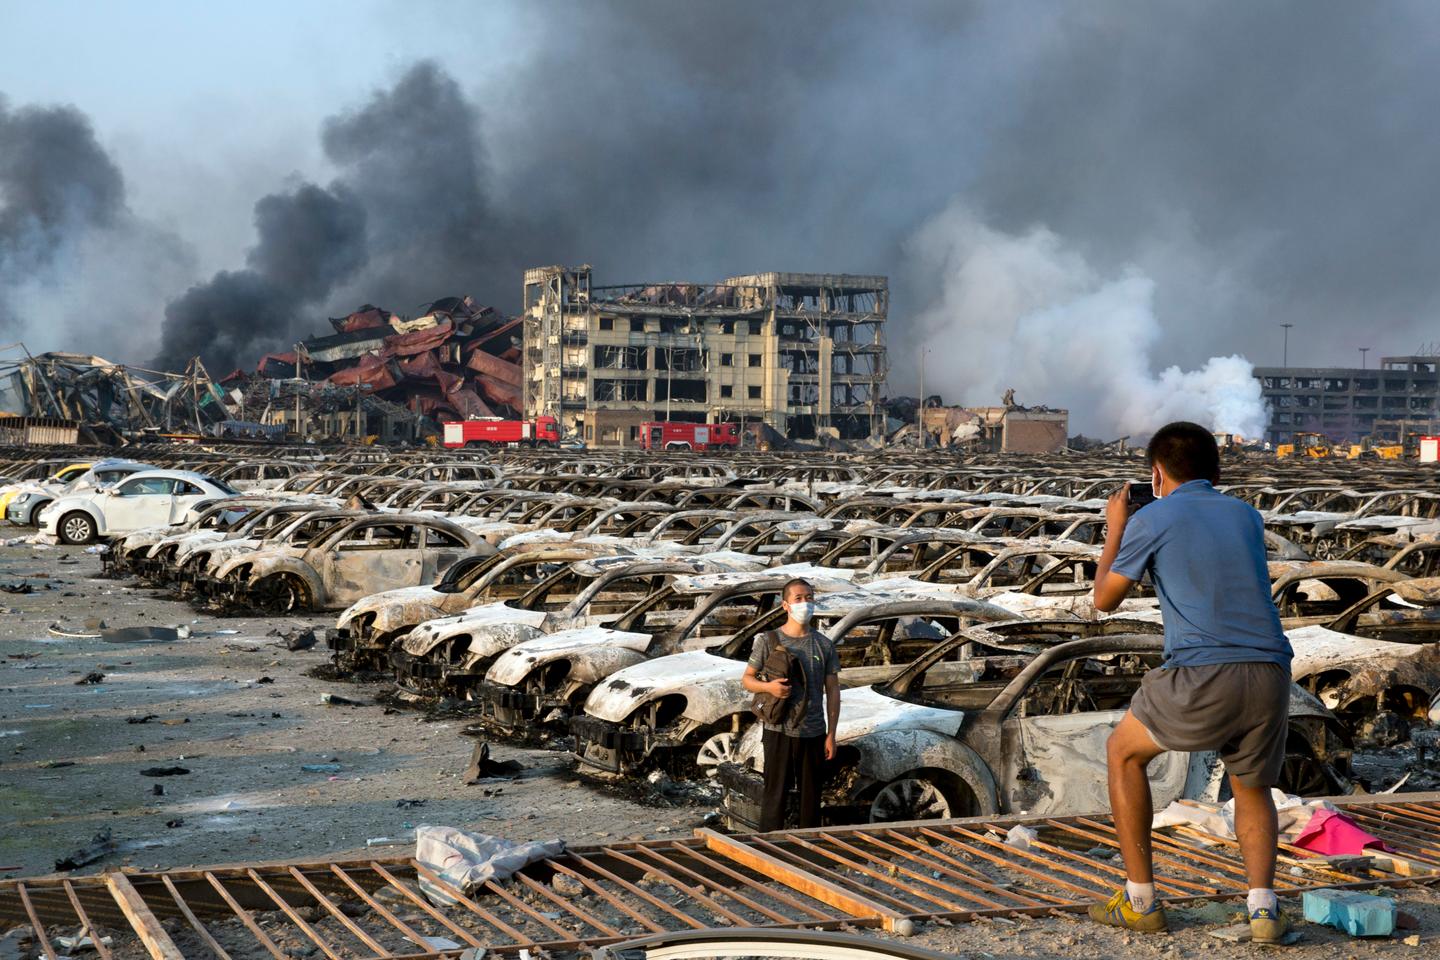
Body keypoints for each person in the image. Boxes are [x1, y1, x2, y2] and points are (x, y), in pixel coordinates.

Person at [1089, 421, 1294, 943]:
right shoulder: (1246, 515)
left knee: (1123, 753)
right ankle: (1263, 911)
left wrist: (1116, 525)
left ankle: (1140, 900)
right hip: (1270, 670)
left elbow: (1104, 600)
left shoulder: (1153, 517)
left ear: (1157, 473)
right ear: (1214, 469)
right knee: (1252, 789)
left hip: (1203, 669)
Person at [741, 578, 840, 831]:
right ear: (786, 605)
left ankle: (808, 848)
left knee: (811, 796)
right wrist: (769, 688)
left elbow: (833, 690)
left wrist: (831, 735)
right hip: (778, 729)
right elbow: (748, 680)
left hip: (814, 730)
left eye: (809, 597)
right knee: (775, 793)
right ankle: (769, 848)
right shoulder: (769, 640)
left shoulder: (824, 644)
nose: (805, 603)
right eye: (798, 598)